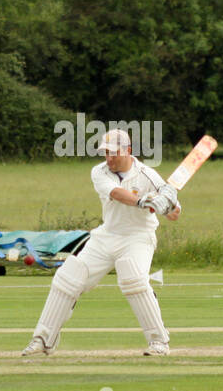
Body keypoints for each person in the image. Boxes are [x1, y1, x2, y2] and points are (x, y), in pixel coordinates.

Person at [22, 128, 180, 357]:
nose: (109, 158)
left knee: (133, 279)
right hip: (107, 235)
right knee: (67, 278)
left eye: (114, 153)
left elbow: (174, 213)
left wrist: (168, 205)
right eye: (106, 152)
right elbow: (116, 194)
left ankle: (159, 342)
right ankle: (42, 340)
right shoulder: (99, 172)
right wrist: (143, 201)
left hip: (138, 237)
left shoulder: (148, 175)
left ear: (128, 150)